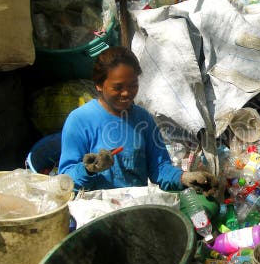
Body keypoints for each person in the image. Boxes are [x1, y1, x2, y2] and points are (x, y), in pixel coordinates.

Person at [58, 46, 216, 193]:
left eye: (133, 85)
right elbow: (65, 182)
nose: (126, 93)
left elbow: (159, 167)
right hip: (95, 213)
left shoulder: (143, 119)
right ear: (99, 84)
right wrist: (88, 169)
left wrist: (183, 177)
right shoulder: (79, 121)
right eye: (118, 87)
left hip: (135, 210)